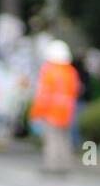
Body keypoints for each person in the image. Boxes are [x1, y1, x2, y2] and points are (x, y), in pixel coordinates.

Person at [31, 39, 79, 174]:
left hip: (51, 111)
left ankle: (52, 165)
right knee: (64, 139)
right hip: (67, 111)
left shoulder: (49, 71)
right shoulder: (70, 72)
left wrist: (36, 112)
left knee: (52, 139)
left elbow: (43, 94)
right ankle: (64, 164)